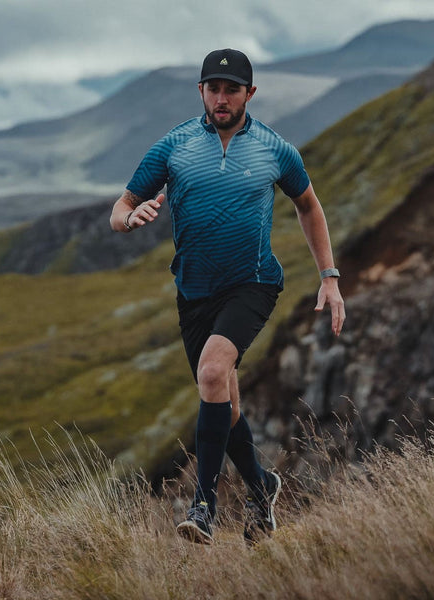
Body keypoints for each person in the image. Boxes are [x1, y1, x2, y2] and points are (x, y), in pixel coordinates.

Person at [109, 48, 345, 545]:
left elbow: (308, 206)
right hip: (194, 291)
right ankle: (262, 487)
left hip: (252, 283)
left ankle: (204, 506)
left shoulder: (275, 150)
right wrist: (130, 219)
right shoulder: (173, 146)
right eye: (213, 89)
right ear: (200, 91)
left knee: (213, 373)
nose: (221, 98)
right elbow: (121, 207)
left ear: (249, 93)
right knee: (224, 402)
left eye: (231, 90)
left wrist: (329, 275)